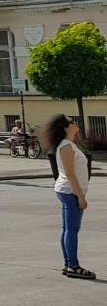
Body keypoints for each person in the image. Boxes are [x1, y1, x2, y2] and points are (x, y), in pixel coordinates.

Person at [44, 113, 94, 279]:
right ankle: (73, 265)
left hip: (66, 190)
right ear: (66, 127)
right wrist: (80, 197)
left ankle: (68, 264)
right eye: (72, 122)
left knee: (67, 229)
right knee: (71, 230)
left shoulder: (68, 144)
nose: (75, 123)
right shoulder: (66, 146)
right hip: (69, 191)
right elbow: (70, 173)